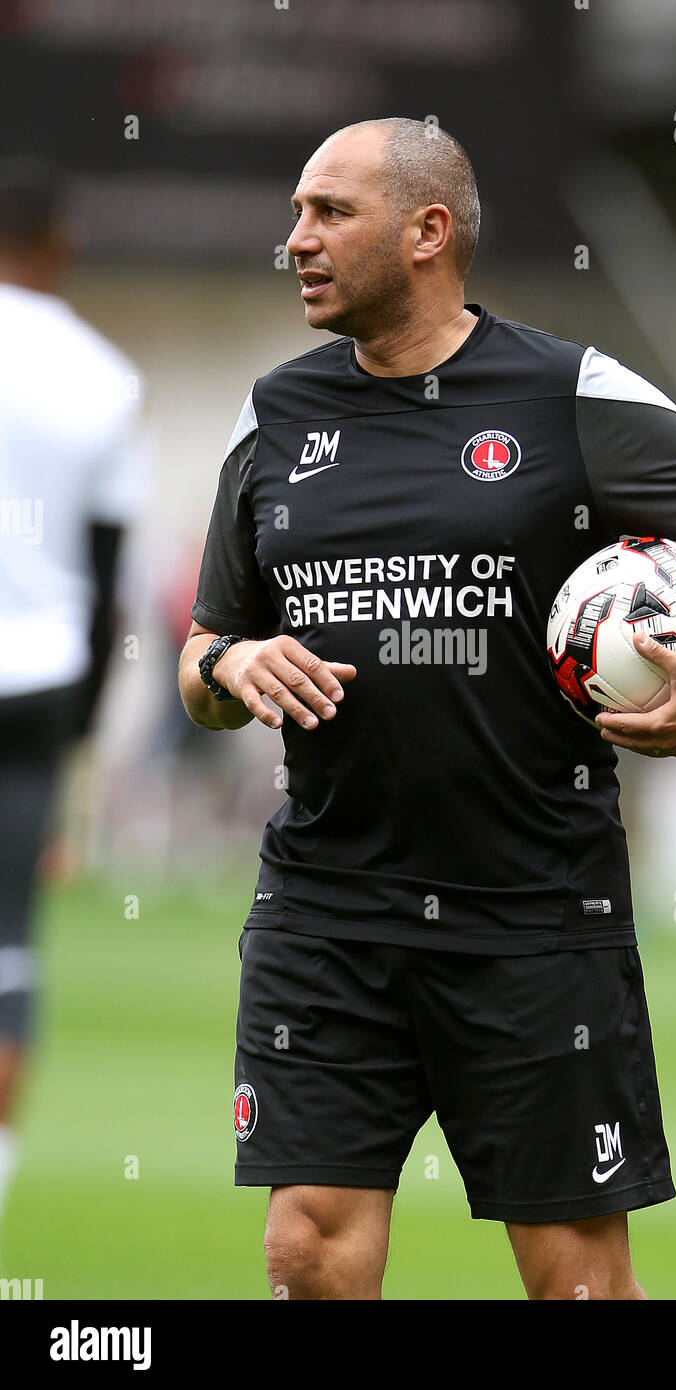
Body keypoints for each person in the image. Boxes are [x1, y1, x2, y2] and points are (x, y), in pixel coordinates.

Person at [178, 118, 676, 1300]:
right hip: (327, 907)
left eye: (329, 212)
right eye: (295, 212)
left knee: (574, 1282)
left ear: (427, 232)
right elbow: (202, 649)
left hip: (534, 910)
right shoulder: (272, 416)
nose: (296, 240)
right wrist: (229, 670)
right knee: (304, 1253)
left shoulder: (568, 392)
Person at [0, 156, 145, 1261]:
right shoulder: (102, 377)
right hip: (34, 689)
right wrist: (84, 763)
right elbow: (106, 586)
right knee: (6, 960)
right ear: (61, 243)